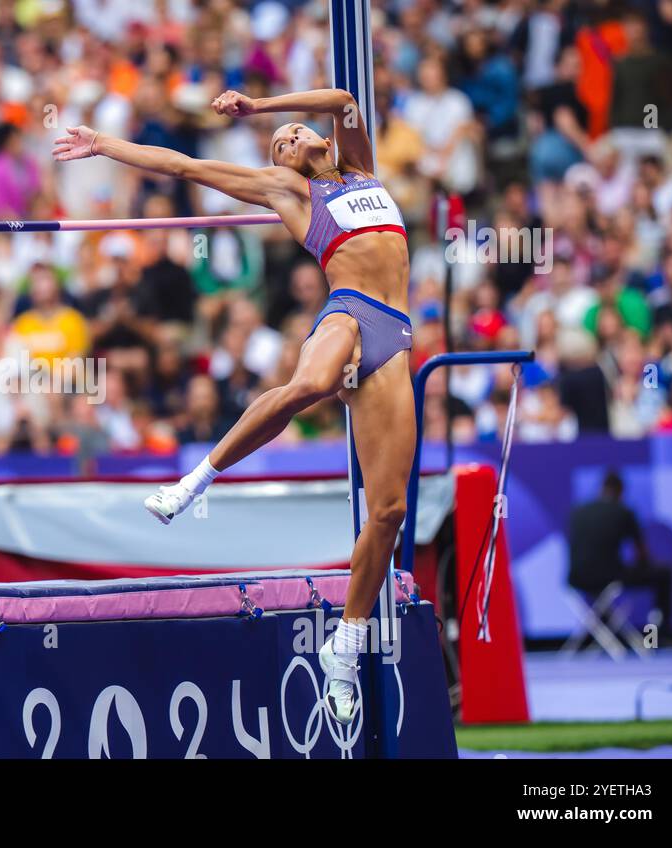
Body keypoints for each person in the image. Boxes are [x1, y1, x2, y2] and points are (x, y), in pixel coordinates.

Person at [54, 87, 414, 725]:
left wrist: (262, 107)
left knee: (388, 511)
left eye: (292, 133)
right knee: (310, 385)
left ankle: (346, 644)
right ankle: (197, 478)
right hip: (349, 308)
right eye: (279, 144)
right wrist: (105, 145)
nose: (287, 140)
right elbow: (186, 168)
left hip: (395, 332)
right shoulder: (289, 192)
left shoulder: (359, 167)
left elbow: (345, 96)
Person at [567, 470, 672, 637]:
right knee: (663, 575)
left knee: (607, 593)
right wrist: (643, 567)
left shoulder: (578, 512)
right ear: (620, 491)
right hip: (611, 577)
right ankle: (657, 637)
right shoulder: (623, 511)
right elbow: (642, 555)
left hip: (576, 578)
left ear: (601, 488)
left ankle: (607, 630)